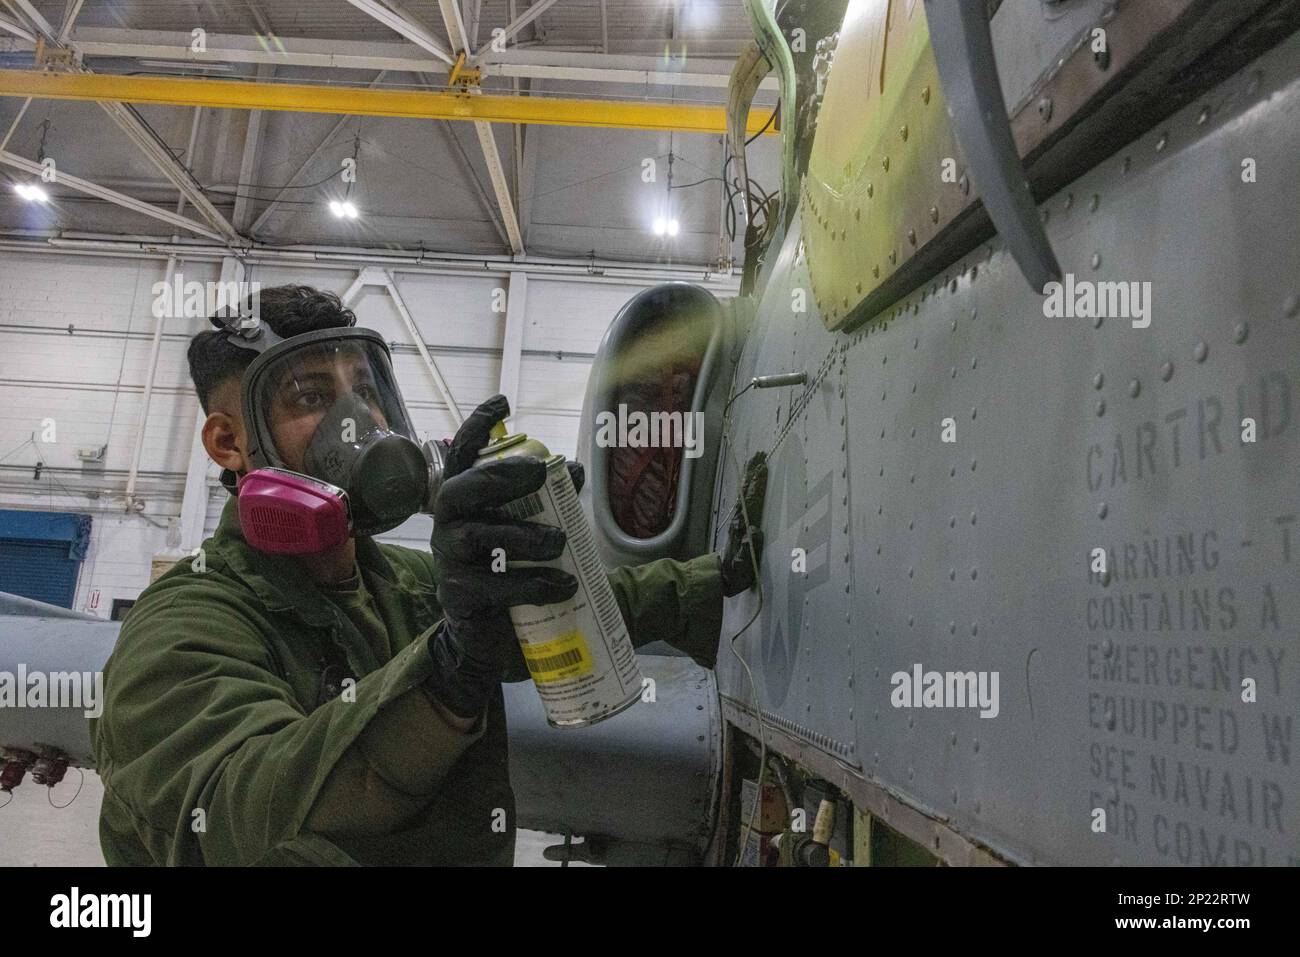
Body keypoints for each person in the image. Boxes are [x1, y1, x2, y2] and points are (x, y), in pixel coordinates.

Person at [89, 285, 762, 866]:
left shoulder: (404, 585)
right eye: (311, 395)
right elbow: (247, 819)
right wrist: (447, 672)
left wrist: (720, 576)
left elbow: (574, 596)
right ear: (228, 442)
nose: (362, 424)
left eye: (366, 389)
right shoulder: (180, 626)